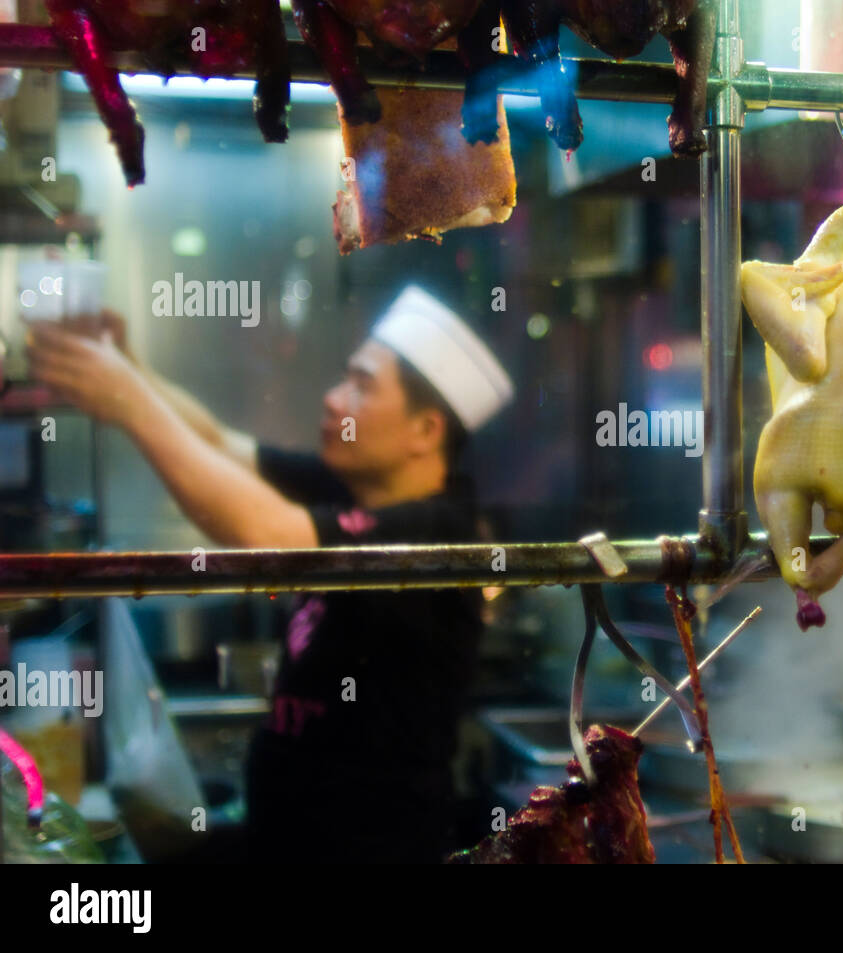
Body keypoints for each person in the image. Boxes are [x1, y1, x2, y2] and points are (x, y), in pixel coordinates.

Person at [21, 284, 514, 862]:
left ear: (425, 432)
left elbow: (272, 536)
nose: (333, 400)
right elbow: (214, 443)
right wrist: (127, 367)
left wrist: (128, 400)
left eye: (361, 384)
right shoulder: (358, 488)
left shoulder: (436, 528)